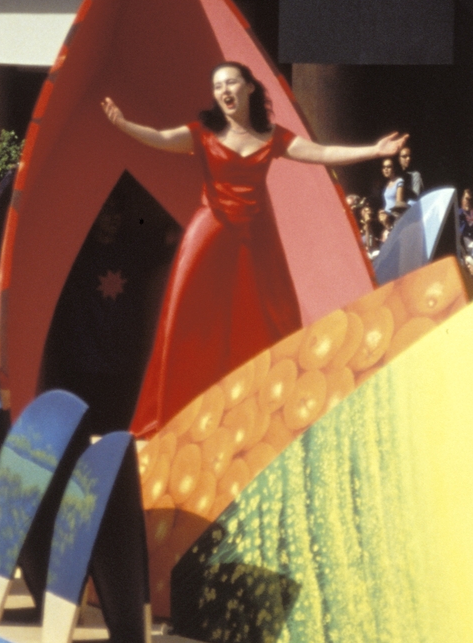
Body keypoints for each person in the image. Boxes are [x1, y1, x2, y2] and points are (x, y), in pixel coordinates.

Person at [102, 61, 408, 435]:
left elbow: (321, 153)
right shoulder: (203, 134)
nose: (225, 91)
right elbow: (161, 138)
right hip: (211, 231)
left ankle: (259, 409)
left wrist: (374, 151)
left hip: (257, 236)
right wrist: (124, 126)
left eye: (231, 82)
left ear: (249, 88)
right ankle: (177, 415)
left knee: (265, 317)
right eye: (218, 87)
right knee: (189, 318)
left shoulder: (272, 136)